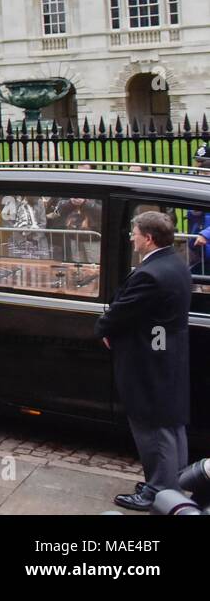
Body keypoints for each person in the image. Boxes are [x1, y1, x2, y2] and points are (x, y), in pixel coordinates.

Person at [98, 210, 192, 512]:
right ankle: (171, 481)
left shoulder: (151, 274)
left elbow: (120, 312)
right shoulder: (175, 262)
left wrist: (103, 327)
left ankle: (159, 490)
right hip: (168, 354)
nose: (132, 238)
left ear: (148, 238)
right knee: (170, 423)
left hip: (148, 361)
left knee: (152, 427)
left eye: (134, 234)